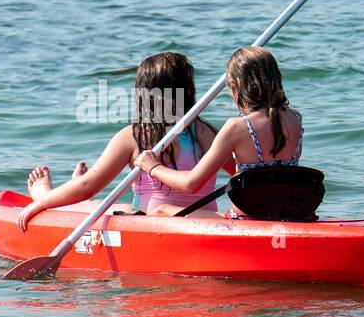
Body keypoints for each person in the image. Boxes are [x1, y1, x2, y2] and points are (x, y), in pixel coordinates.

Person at [17, 52, 224, 231]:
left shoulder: (135, 137)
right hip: (197, 220)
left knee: (100, 205)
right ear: (189, 91)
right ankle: (55, 195)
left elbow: (89, 185)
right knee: (110, 206)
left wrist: (39, 205)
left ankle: (46, 196)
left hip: (150, 223)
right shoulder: (208, 133)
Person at [135, 46, 303, 218]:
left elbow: (190, 184)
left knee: (160, 211)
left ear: (235, 87)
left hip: (248, 217)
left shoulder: (236, 127)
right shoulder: (295, 119)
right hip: (290, 212)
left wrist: (153, 167)